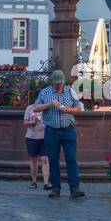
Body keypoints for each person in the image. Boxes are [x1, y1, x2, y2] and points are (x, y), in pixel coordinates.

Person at [28, 70, 86, 198]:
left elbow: (78, 109)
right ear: (52, 82)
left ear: (63, 82)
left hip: (68, 130)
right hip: (51, 131)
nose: (58, 86)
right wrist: (49, 104)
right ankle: (55, 188)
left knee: (71, 159)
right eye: (56, 84)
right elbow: (35, 108)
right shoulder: (45, 92)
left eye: (60, 83)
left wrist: (66, 109)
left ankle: (74, 188)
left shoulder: (71, 91)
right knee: (53, 160)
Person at [23, 98, 47, 189]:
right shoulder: (30, 108)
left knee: (45, 159)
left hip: (44, 137)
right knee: (34, 160)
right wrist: (33, 122)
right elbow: (25, 123)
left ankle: (46, 183)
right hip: (31, 137)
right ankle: (34, 181)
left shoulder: (46, 108)